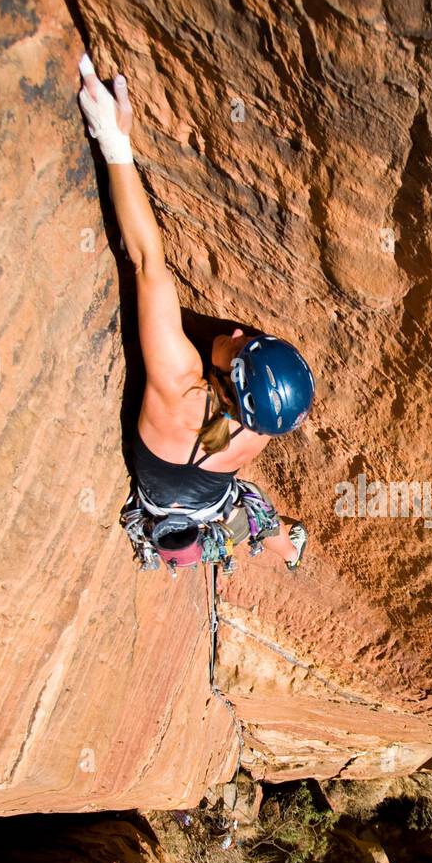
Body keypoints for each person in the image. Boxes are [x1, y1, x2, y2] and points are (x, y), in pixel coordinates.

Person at [77, 53, 312, 570]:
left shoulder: (177, 381)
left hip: (172, 494)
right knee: (249, 511)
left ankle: (281, 542)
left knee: (242, 505)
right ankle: (286, 547)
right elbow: (220, 426)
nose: (234, 329)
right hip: (196, 502)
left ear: (224, 383)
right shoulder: (255, 431)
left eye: (240, 344)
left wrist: (114, 141)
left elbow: (146, 261)